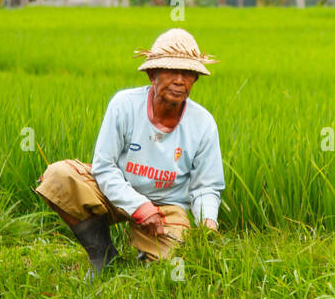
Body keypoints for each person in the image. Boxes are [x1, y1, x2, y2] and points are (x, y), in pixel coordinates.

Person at [34, 28, 224, 274]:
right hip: (118, 192)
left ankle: (146, 254)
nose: (180, 80)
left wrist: (208, 222)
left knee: (172, 263)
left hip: (167, 204)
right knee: (58, 178)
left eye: (188, 73)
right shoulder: (124, 105)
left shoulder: (203, 123)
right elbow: (104, 166)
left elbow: (206, 187)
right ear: (152, 75)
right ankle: (102, 254)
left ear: (195, 79)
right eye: (171, 71)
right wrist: (139, 206)